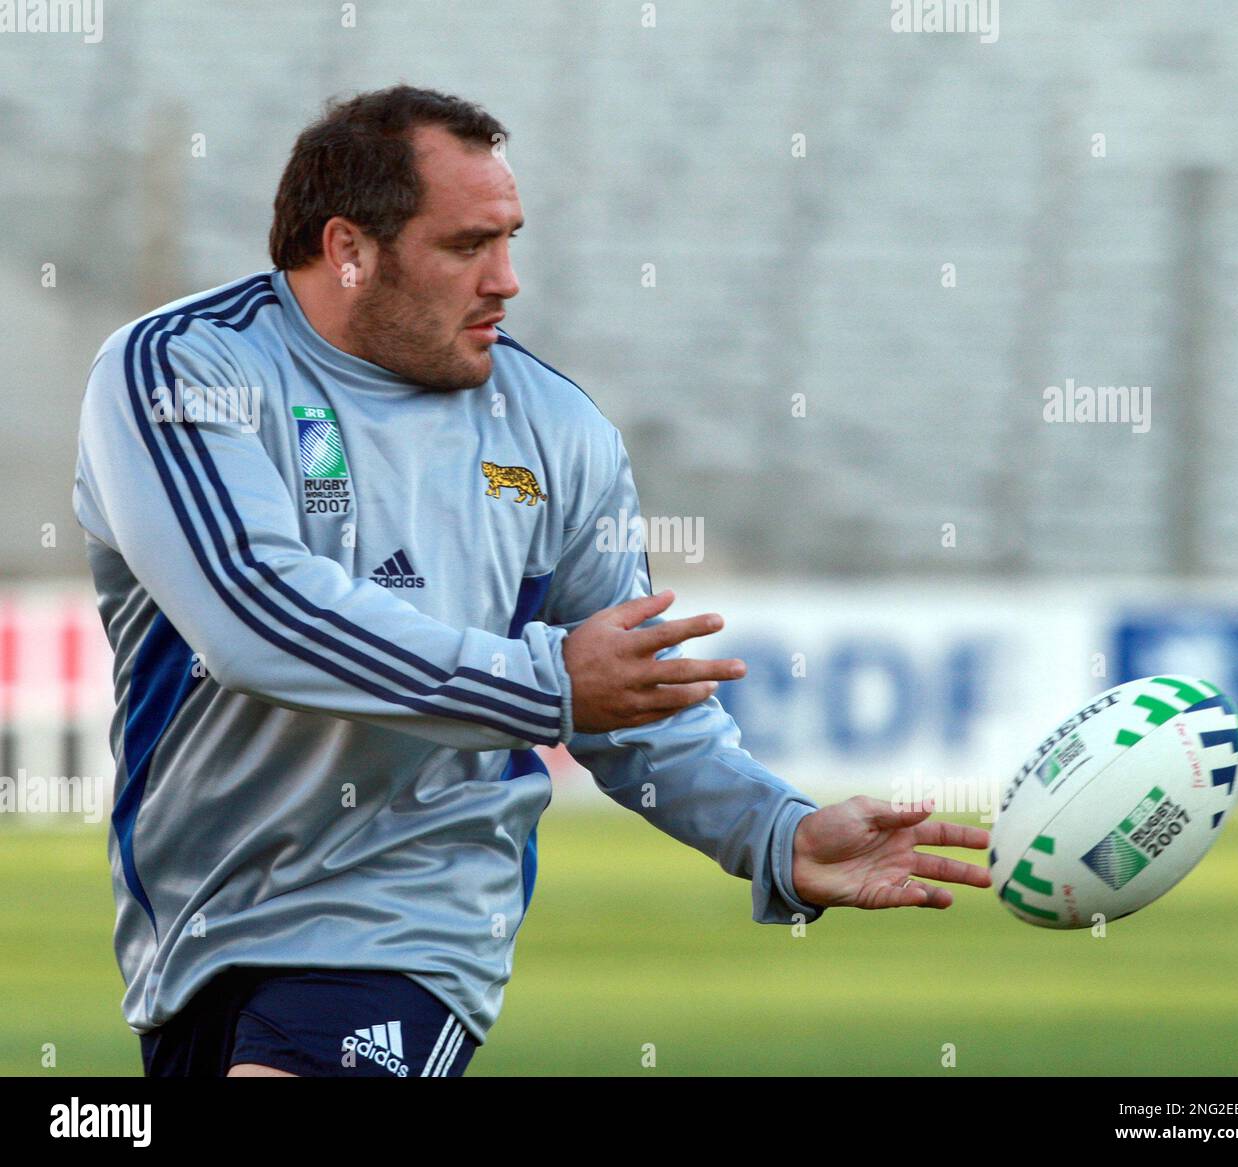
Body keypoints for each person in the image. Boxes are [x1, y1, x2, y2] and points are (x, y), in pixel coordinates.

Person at [73, 84, 992, 1078]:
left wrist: (774, 828)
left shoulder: (554, 430)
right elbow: (258, 614)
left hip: (410, 921)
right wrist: (548, 686)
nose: (507, 281)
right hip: (194, 925)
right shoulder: (185, 370)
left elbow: (633, 701)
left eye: (511, 239)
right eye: (467, 246)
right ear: (349, 249)